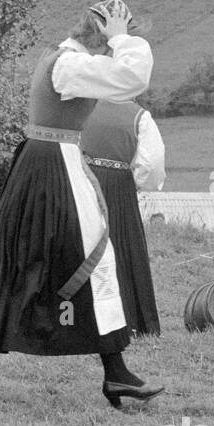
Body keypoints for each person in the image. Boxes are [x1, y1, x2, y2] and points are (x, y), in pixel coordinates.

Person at [0, 0, 165, 408]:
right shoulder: (69, 66)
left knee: (17, 266)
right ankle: (115, 373)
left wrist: (118, 35)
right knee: (83, 261)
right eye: (112, 39)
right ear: (100, 37)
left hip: (46, 165)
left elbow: (124, 82)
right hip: (52, 169)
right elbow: (133, 76)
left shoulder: (64, 59)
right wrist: (122, 37)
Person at [79, 98, 165, 338]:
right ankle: (131, 320)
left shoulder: (85, 107)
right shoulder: (139, 116)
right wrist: (135, 184)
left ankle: (80, 320)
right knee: (124, 248)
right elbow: (151, 163)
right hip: (120, 185)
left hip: (87, 181)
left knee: (86, 245)